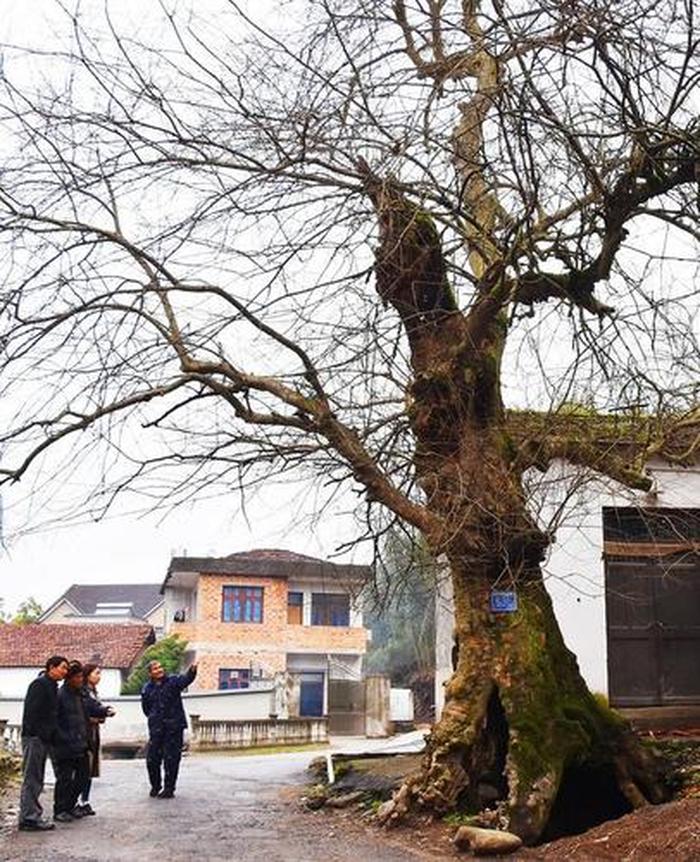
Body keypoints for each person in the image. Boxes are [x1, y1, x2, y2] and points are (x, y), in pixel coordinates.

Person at [18, 655, 69, 831]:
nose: (65, 672)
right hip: (35, 738)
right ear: (51, 667)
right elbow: (33, 713)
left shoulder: (52, 686)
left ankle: (32, 814)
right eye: (62, 667)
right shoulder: (40, 685)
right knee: (32, 777)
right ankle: (29, 817)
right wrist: (41, 734)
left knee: (37, 777)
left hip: (43, 737)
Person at [141, 660, 197, 798]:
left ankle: (169, 788)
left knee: (171, 759)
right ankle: (155, 785)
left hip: (174, 727)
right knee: (152, 759)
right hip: (156, 728)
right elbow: (146, 709)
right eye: (155, 669)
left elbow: (186, 680)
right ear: (150, 673)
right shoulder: (147, 688)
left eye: (160, 667)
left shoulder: (172, 682)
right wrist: (155, 718)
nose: (159, 670)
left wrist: (192, 671)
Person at [53, 661, 91, 823]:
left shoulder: (80, 694)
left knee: (83, 776)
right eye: (77, 677)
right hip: (65, 744)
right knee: (65, 778)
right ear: (69, 678)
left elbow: (88, 710)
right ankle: (60, 809)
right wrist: (63, 738)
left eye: (81, 676)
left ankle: (70, 805)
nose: (81, 679)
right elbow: (56, 720)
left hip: (80, 742)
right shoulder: (61, 695)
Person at [78, 663, 116, 816]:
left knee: (90, 767)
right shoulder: (84, 692)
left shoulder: (92, 691)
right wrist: (104, 712)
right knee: (85, 767)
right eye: (96, 673)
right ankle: (80, 801)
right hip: (85, 732)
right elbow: (89, 710)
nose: (99, 677)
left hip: (93, 731)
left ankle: (85, 800)